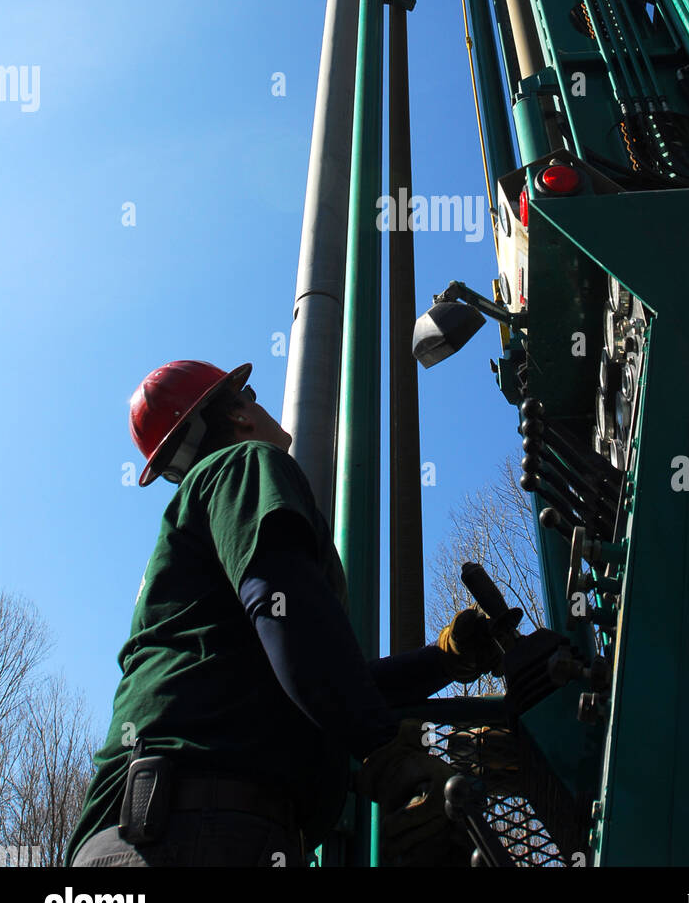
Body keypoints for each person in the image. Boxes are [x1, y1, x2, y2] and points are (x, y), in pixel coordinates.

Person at [67, 359, 501, 868]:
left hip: (146, 832)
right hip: (200, 832)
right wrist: (386, 751)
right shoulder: (243, 463)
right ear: (240, 415)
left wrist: (442, 661)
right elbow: (287, 614)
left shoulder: (201, 521)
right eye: (248, 393)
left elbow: (314, 674)